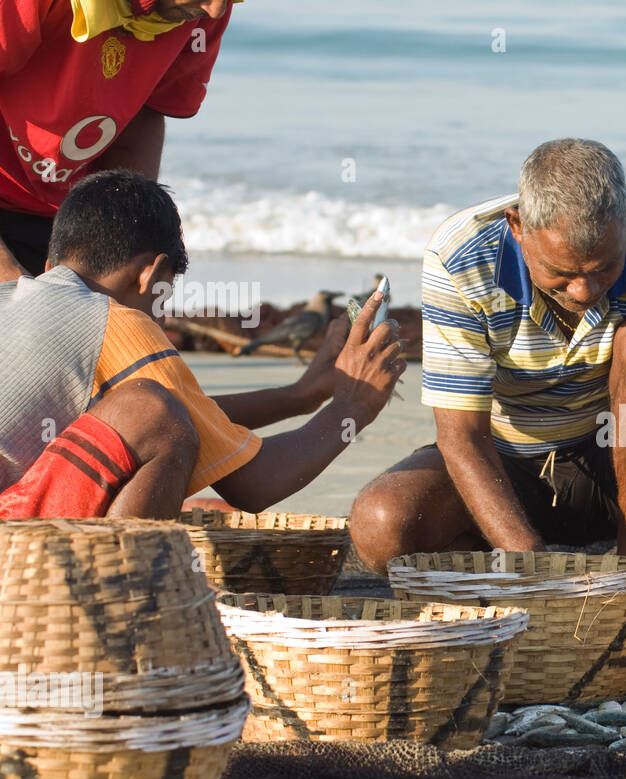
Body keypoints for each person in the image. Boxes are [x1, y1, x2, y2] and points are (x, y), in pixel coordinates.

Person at [350, 138, 626, 665]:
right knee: (383, 524)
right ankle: (532, 567)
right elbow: (462, 437)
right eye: (561, 274)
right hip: (509, 464)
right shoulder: (460, 257)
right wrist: (535, 580)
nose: (584, 291)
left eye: (603, 268)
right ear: (517, 227)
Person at [0, 169, 404, 519]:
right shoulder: (117, 322)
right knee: (152, 412)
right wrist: (354, 407)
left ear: (52, 266)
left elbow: (196, 415)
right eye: (164, 293)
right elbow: (256, 484)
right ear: (150, 275)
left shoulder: (16, 296)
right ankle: (116, 593)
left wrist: (302, 396)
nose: (160, 314)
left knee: (155, 408)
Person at [0, 0, 236, 278]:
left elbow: (144, 112)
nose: (216, 10)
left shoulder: (201, 9)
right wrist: (9, 277)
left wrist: (127, 246)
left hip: (68, 214)